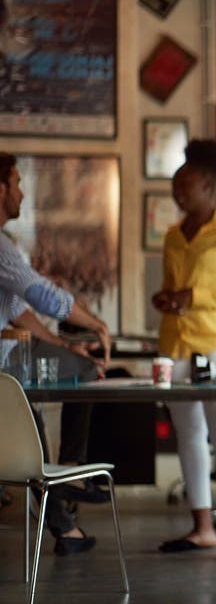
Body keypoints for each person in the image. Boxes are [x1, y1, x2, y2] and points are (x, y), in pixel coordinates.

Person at [0, 151, 112, 555]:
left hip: (11, 371)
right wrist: (95, 323)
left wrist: (63, 342)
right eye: (15, 183)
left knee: (77, 368)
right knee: (85, 370)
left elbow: (17, 310)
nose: (22, 192)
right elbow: (41, 295)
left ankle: (65, 523)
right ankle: (71, 478)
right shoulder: (0, 247)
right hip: (5, 375)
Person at [152, 140, 216, 563]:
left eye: (186, 185)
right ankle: (202, 528)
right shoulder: (174, 237)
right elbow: (174, 288)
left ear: (209, 186)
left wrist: (195, 296)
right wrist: (168, 299)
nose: (178, 193)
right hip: (176, 346)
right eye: (175, 185)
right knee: (189, 436)